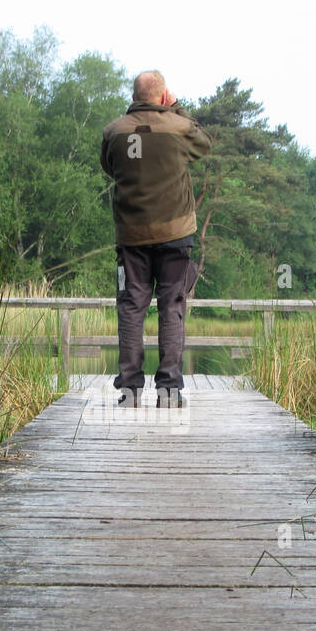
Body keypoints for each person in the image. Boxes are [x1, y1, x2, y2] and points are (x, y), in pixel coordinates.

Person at [100, 70, 212, 408]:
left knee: (131, 308)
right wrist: (176, 107)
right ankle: (169, 392)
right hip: (176, 235)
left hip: (131, 237)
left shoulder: (113, 132)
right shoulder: (178, 129)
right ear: (163, 96)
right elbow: (204, 143)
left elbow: (111, 168)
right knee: (171, 307)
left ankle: (131, 392)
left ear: (135, 95)